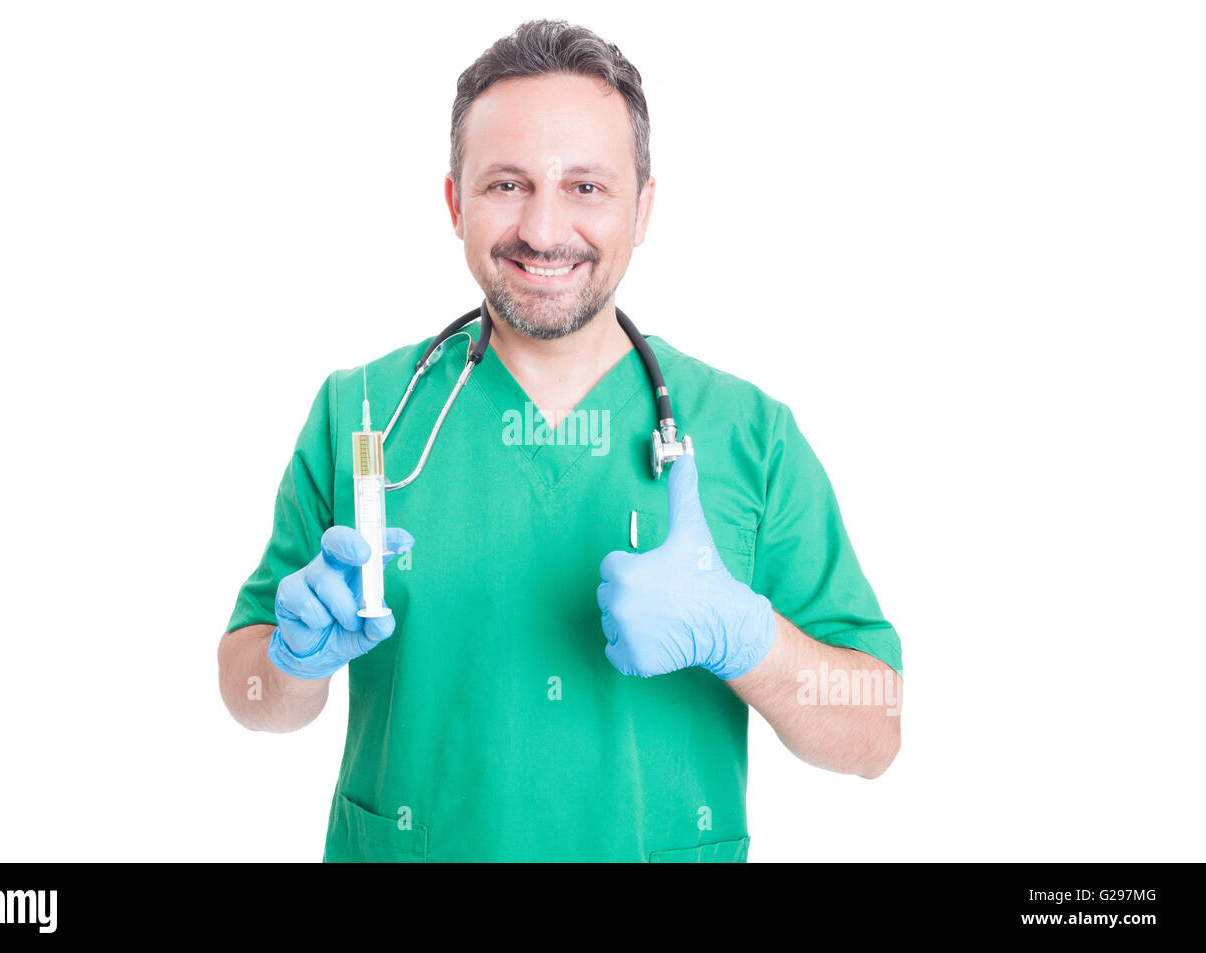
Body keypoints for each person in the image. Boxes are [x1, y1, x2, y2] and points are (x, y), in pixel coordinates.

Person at [218, 18, 903, 863]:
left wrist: (747, 638)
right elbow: (248, 686)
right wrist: (292, 661)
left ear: (642, 208)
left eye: (586, 186)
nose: (543, 230)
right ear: (454, 203)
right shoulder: (361, 412)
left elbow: (877, 732)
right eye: (507, 184)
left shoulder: (749, 433)